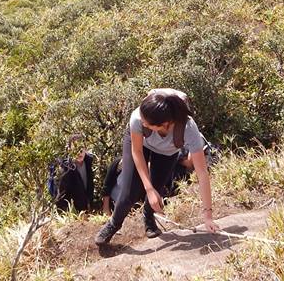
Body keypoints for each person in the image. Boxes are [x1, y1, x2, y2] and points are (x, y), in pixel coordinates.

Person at [94, 88, 220, 245]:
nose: (142, 121)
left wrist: (208, 216)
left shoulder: (188, 128)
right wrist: (148, 188)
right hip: (140, 145)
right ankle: (113, 224)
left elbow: (202, 173)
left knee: (158, 187)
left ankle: (148, 218)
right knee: (130, 191)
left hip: (167, 152)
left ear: (164, 124)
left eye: (146, 122)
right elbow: (137, 152)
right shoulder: (138, 118)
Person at [48, 134, 95, 213]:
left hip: (85, 211)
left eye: (81, 149)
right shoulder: (64, 167)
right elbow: (61, 195)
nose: (79, 152)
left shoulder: (88, 161)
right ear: (69, 149)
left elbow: (89, 185)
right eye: (75, 149)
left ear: (85, 149)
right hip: (71, 213)